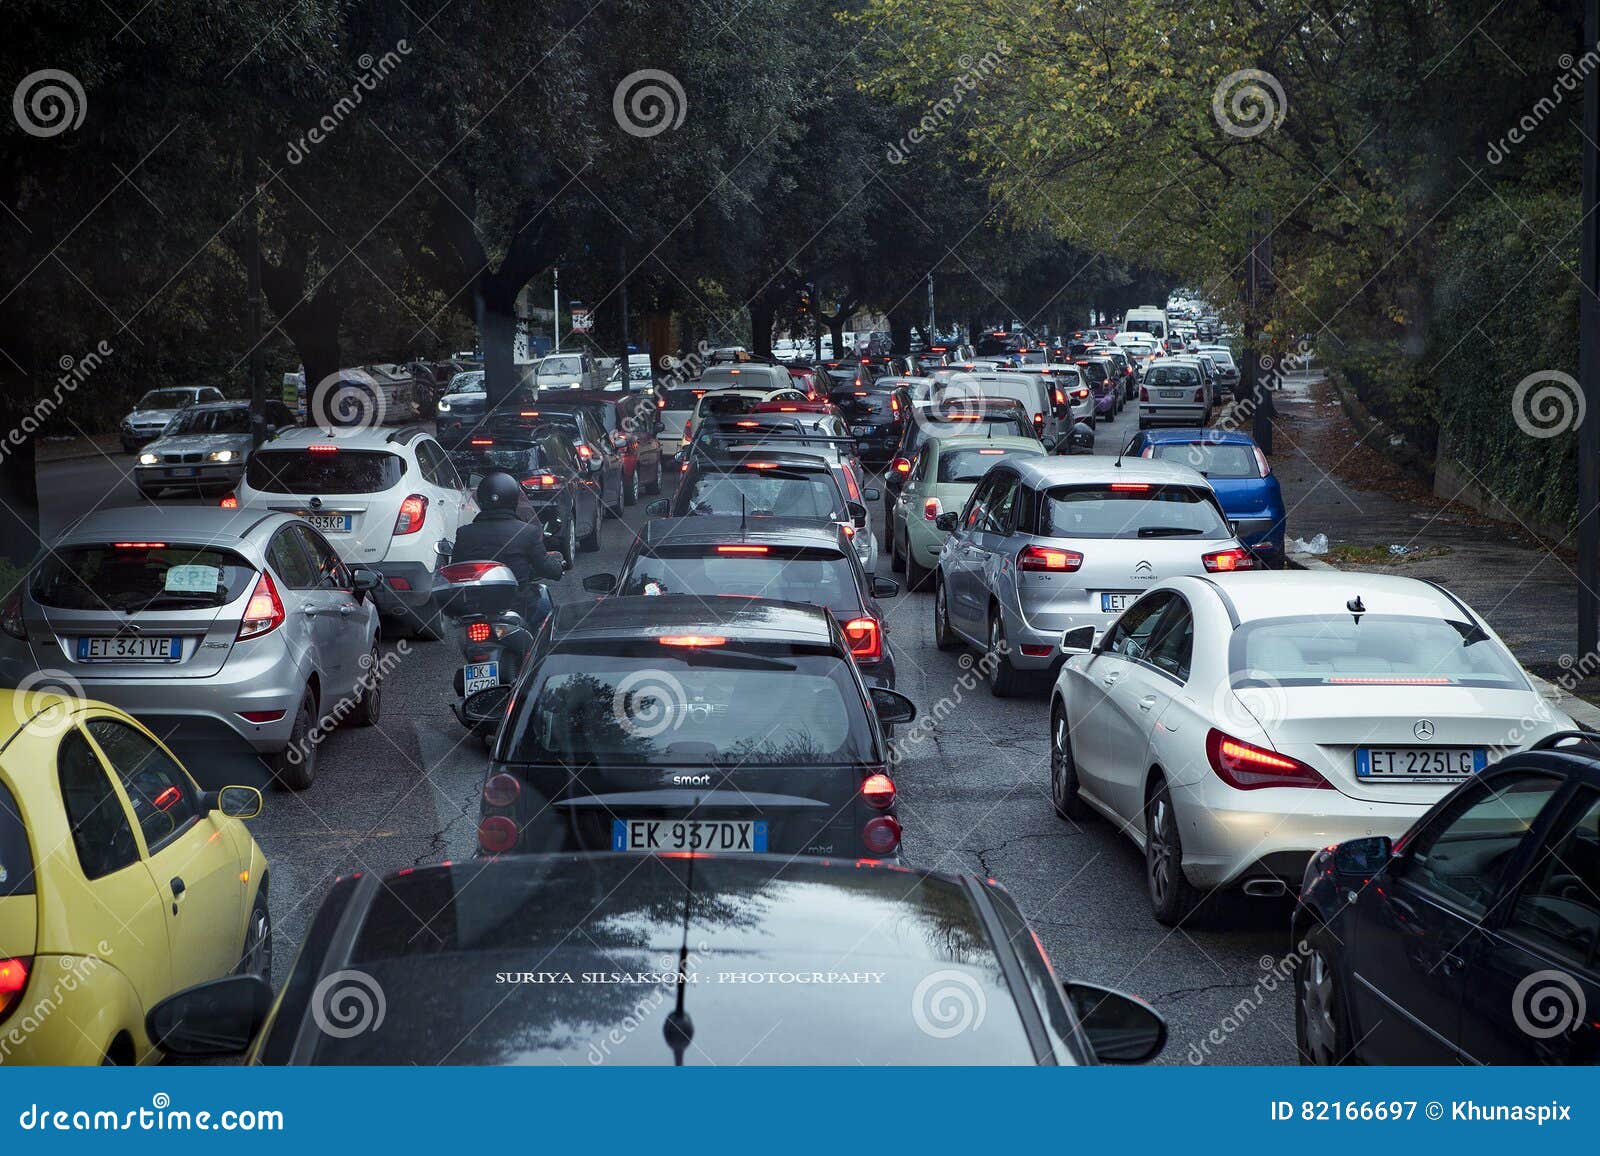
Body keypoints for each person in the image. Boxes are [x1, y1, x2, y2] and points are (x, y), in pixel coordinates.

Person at [453, 472, 566, 605]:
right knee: (543, 601)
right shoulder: (528, 532)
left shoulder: (464, 533)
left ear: (481, 499)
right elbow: (545, 567)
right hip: (516, 603)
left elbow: (456, 568)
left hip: (475, 604)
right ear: (514, 499)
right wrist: (558, 567)